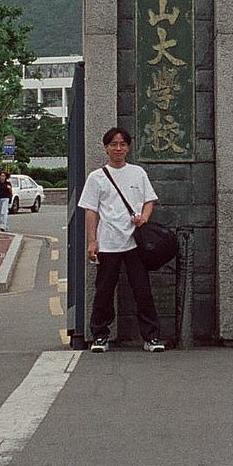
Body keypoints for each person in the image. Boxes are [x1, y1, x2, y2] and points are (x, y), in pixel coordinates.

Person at [77, 126, 165, 353]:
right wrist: (92, 241)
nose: (118, 148)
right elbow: (90, 211)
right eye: (114, 144)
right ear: (106, 148)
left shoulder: (138, 173)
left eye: (122, 144)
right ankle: (100, 336)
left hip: (135, 243)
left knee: (142, 290)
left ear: (128, 147)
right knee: (104, 292)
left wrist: (144, 218)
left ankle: (151, 337)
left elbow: (149, 200)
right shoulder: (96, 177)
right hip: (108, 242)